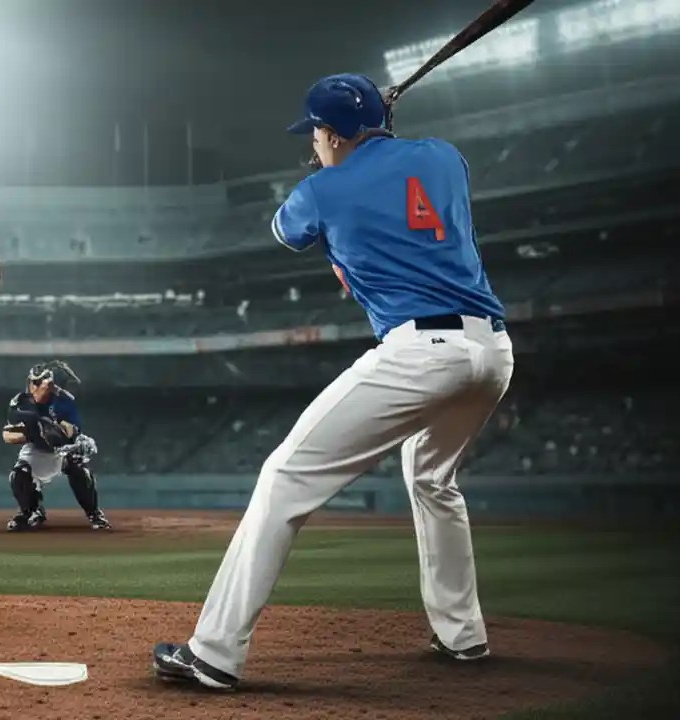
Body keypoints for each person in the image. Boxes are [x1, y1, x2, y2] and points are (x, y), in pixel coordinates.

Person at [153, 73, 513, 689]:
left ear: (331, 133)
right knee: (432, 476)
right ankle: (464, 635)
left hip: (418, 351)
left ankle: (212, 653)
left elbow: (286, 230)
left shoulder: (319, 190)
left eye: (316, 133)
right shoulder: (444, 158)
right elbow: (408, 180)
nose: (312, 144)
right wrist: (371, 136)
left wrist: (344, 160)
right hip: (493, 351)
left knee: (284, 477)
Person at [2, 360, 111, 531]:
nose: (34, 386)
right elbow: (8, 435)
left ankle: (94, 513)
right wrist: (32, 433)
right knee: (18, 475)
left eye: (39, 382)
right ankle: (30, 511)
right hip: (36, 448)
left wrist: (64, 435)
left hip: (61, 449)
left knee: (79, 467)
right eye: (33, 382)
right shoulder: (19, 403)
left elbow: (70, 429)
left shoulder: (64, 400)